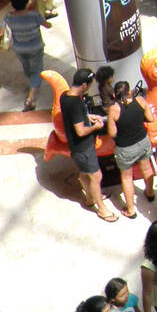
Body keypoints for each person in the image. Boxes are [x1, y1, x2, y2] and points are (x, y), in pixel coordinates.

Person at [62, 68, 115, 222]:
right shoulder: (75, 104)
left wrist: (88, 116)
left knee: (85, 174)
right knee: (96, 176)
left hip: (76, 148)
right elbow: (80, 131)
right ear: (84, 86)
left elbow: (74, 118)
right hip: (83, 147)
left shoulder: (65, 96)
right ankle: (102, 209)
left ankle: (90, 198)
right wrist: (95, 127)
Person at [107, 81, 155, 218]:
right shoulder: (140, 100)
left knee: (127, 177)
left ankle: (131, 210)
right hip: (143, 141)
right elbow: (150, 119)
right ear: (129, 91)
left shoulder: (114, 109)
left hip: (125, 148)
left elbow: (111, 132)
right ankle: (150, 193)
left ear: (115, 94)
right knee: (146, 169)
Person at [3, 0, 49, 112]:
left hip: (19, 49)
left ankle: (31, 79)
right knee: (36, 71)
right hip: (35, 48)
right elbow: (47, 25)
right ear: (26, 3)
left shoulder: (8, 17)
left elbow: (2, 32)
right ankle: (31, 99)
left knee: (27, 67)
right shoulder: (34, 15)